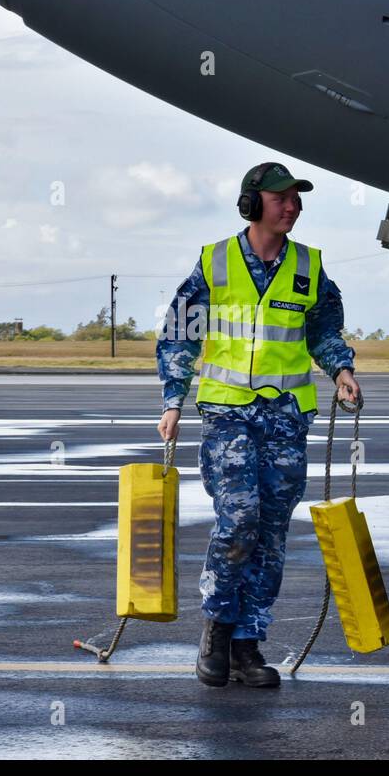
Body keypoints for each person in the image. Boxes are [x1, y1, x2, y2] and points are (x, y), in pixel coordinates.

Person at [156, 161, 361, 689]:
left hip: (286, 419)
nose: (291, 207)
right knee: (239, 520)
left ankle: (249, 644)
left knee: (270, 534)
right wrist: (173, 400)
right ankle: (217, 631)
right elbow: (180, 333)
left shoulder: (308, 267)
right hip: (228, 415)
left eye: (296, 199)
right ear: (252, 204)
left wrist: (342, 371)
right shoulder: (215, 263)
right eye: (280, 199)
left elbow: (324, 332)